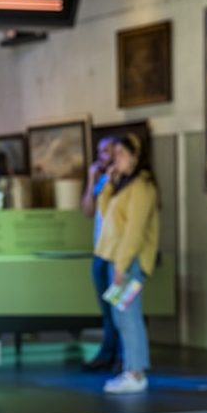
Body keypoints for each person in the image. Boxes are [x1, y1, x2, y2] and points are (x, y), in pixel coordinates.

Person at [94, 134, 159, 394]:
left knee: (129, 315)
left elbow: (134, 230)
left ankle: (136, 372)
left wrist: (121, 266)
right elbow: (104, 210)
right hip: (116, 258)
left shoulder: (142, 187)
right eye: (115, 154)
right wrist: (109, 183)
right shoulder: (123, 185)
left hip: (130, 261)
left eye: (121, 154)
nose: (116, 159)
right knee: (120, 315)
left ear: (135, 156)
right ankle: (131, 369)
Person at [80, 137, 122, 372]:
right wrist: (91, 181)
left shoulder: (123, 180)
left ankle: (124, 357)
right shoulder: (100, 181)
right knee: (106, 309)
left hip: (117, 252)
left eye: (106, 151)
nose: (101, 156)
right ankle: (107, 353)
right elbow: (87, 211)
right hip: (99, 251)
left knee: (120, 309)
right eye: (99, 151)